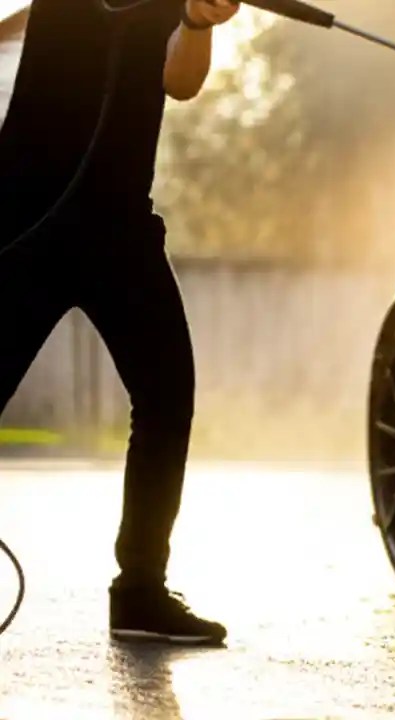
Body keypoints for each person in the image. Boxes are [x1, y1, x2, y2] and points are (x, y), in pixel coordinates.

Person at [0, 0, 240, 645]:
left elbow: (181, 82)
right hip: (22, 223)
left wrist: (198, 22)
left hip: (119, 230)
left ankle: (139, 591)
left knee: (167, 399)